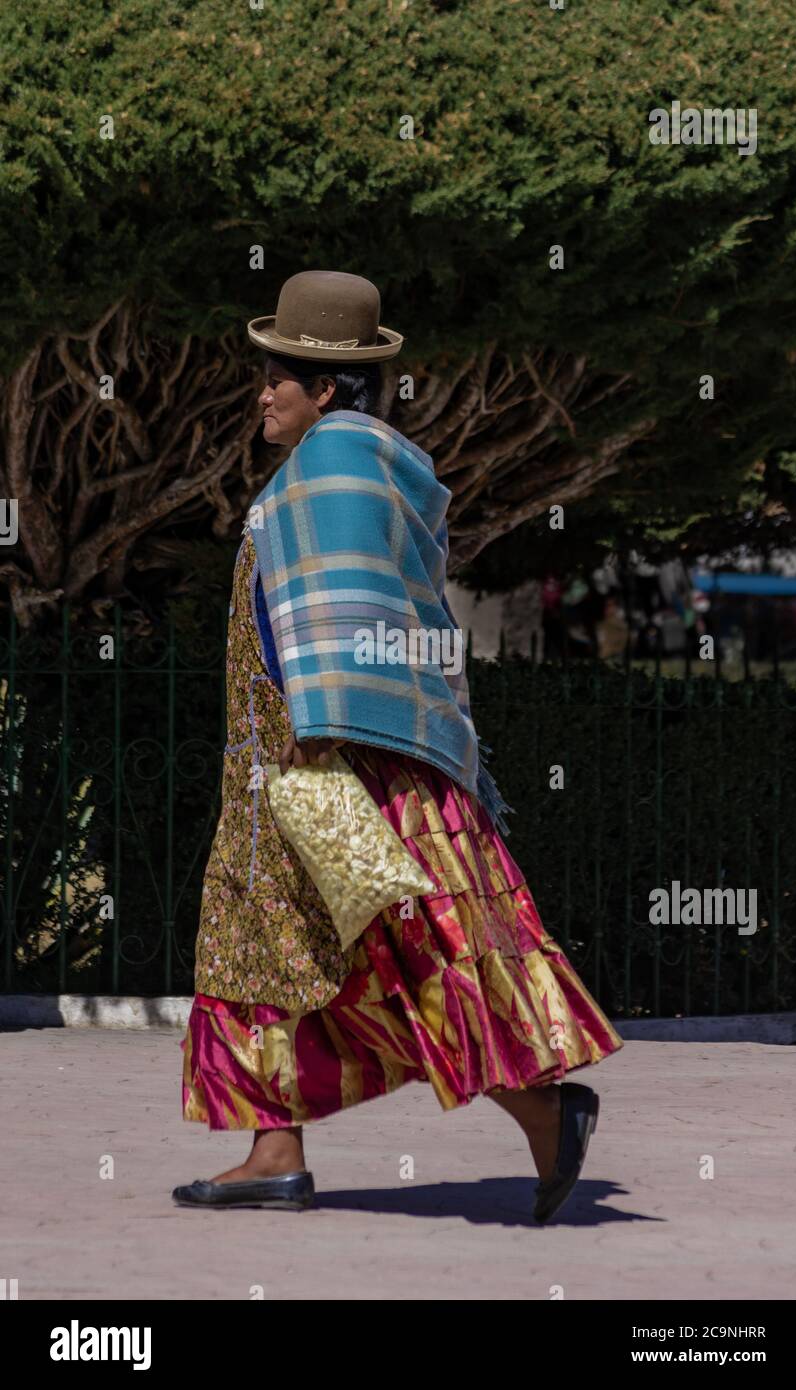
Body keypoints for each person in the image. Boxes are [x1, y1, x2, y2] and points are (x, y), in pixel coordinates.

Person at [174, 270, 623, 1223]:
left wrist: (323, 750)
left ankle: (546, 1115)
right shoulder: (354, 463)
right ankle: (272, 1152)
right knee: (254, 949)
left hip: (328, 765)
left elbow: (353, 628)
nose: (262, 394)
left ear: (325, 388)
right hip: (277, 766)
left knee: (401, 955)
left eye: (278, 378)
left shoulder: (335, 469)